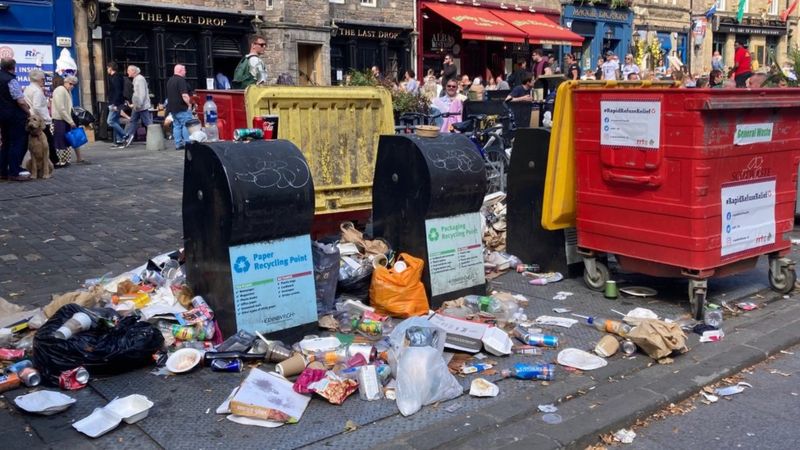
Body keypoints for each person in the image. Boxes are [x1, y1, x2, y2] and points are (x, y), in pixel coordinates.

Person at [0, 58, 32, 181]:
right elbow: (20, 100)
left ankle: (2, 171)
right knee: (17, 144)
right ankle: (14, 171)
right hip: (15, 117)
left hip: (2, 116)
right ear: (13, 67)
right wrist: (28, 112)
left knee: (5, 143)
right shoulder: (11, 80)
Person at [23, 69, 57, 166]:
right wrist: (46, 118)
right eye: (43, 79)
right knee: (47, 142)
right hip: (39, 121)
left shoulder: (28, 88)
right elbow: (37, 106)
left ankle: (45, 161)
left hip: (31, 119)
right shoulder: (37, 91)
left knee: (35, 143)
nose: (44, 81)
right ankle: (53, 161)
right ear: (38, 79)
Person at [52, 75, 88, 165]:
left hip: (66, 118)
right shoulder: (60, 90)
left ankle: (66, 159)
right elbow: (61, 108)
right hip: (60, 119)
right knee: (60, 140)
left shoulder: (67, 91)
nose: (72, 86)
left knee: (68, 139)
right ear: (65, 82)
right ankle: (60, 160)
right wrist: (70, 121)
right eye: (71, 84)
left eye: (74, 85)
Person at [123, 65, 152, 147]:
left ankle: (154, 136)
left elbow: (141, 93)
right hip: (138, 106)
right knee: (134, 121)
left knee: (147, 122)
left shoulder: (139, 79)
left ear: (133, 71)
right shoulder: (137, 79)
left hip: (141, 106)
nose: (127, 72)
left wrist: (138, 104)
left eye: (129, 70)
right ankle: (129, 136)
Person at [166, 64, 193, 151]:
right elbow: (184, 95)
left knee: (176, 126)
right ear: (180, 70)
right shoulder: (181, 80)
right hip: (182, 107)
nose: (186, 72)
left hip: (173, 108)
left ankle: (178, 144)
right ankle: (187, 143)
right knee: (186, 125)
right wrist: (189, 104)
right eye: (184, 70)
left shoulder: (170, 80)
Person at [106, 62, 126, 148]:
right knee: (116, 121)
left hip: (115, 103)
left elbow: (117, 92)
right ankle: (119, 140)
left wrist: (114, 104)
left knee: (110, 121)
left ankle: (125, 135)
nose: (107, 70)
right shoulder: (114, 77)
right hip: (115, 102)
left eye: (107, 68)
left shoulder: (116, 78)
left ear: (111, 68)